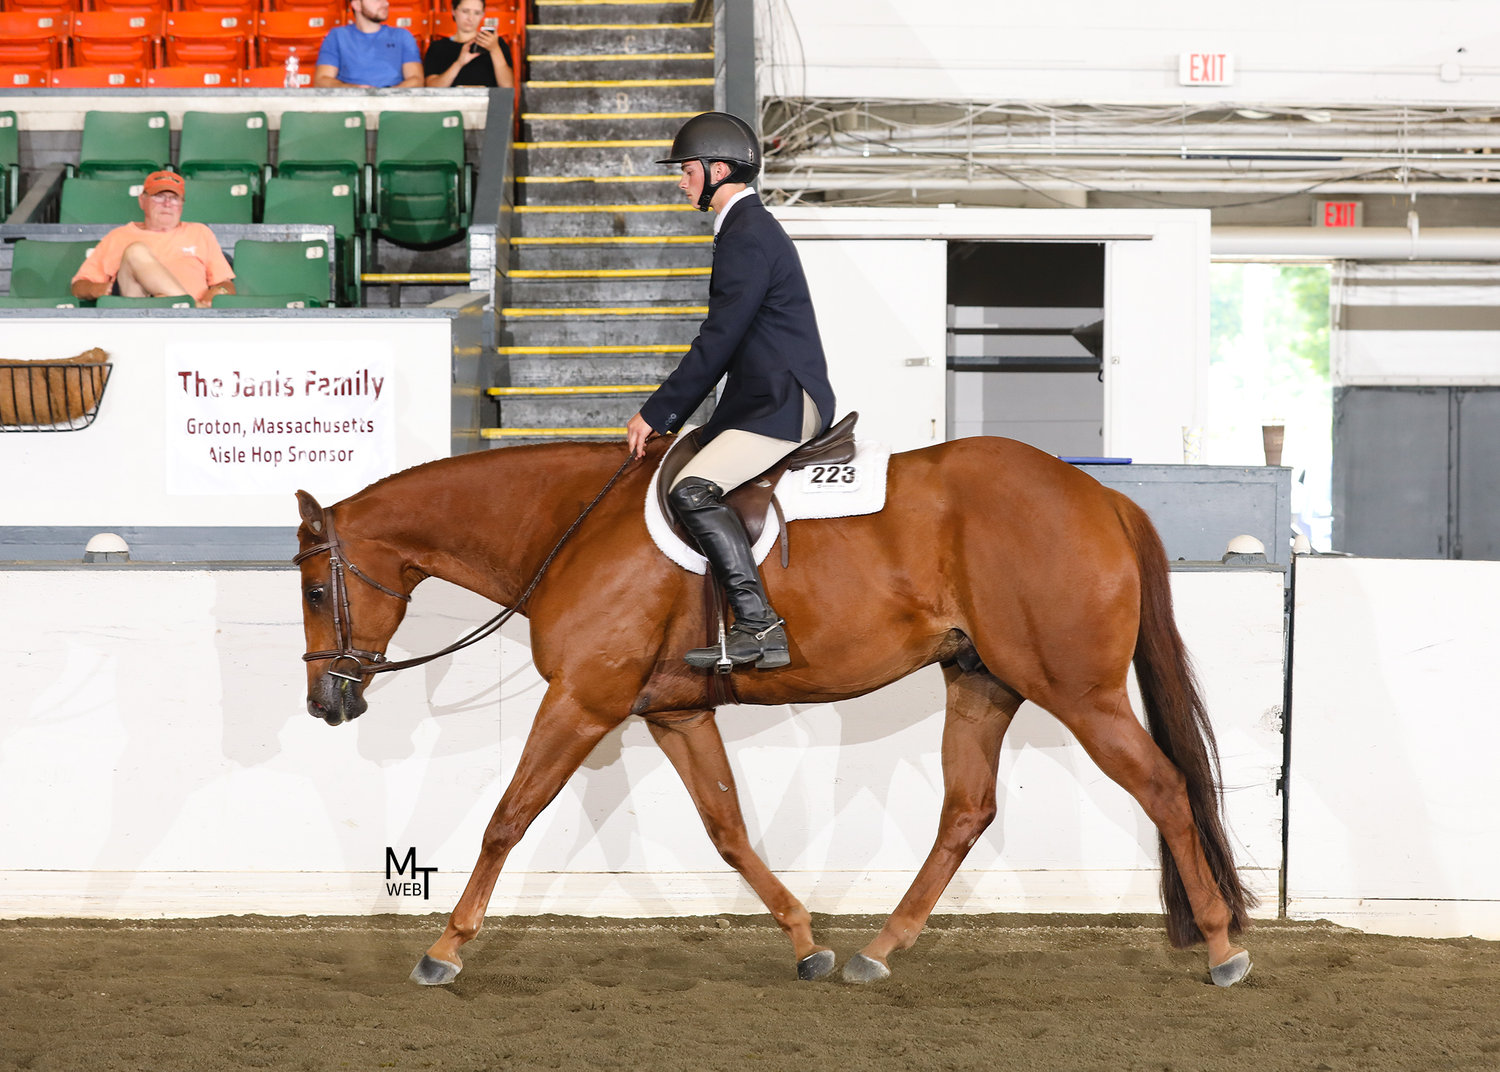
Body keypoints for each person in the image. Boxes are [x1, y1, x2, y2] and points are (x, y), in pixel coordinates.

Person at [625, 111, 836, 672]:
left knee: (691, 490)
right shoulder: (744, 230)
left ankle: (758, 625)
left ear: (718, 170)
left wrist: (658, 410)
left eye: (687, 170)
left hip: (782, 403)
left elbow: (718, 339)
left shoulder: (746, 235)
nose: (681, 180)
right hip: (758, 397)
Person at [70, 170, 235, 308]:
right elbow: (78, 287)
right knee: (136, 251)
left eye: (174, 198)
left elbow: (226, 284)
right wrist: (98, 289)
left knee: (162, 298)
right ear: (142, 201)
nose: (167, 204)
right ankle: (189, 307)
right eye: (159, 196)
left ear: (182, 204)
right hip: (138, 311)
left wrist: (219, 291)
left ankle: (182, 307)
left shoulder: (200, 233)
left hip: (181, 318)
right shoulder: (118, 236)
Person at [313, 0, 423, 89]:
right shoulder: (337, 36)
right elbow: (322, 80)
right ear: (357, 5)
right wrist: (356, 90)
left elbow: (416, 80)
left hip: (394, 105)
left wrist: (386, 96)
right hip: (351, 104)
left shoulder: (402, 35)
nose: (386, 3)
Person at [423, 0, 513, 88]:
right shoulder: (438, 47)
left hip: (488, 102)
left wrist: (494, 49)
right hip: (451, 103)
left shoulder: (496, 44)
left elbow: (507, 86)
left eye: (477, 13)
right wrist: (459, 63)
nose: (470, 18)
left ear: (483, 15)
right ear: (453, 11)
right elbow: (432, 89)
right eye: (465, 11)